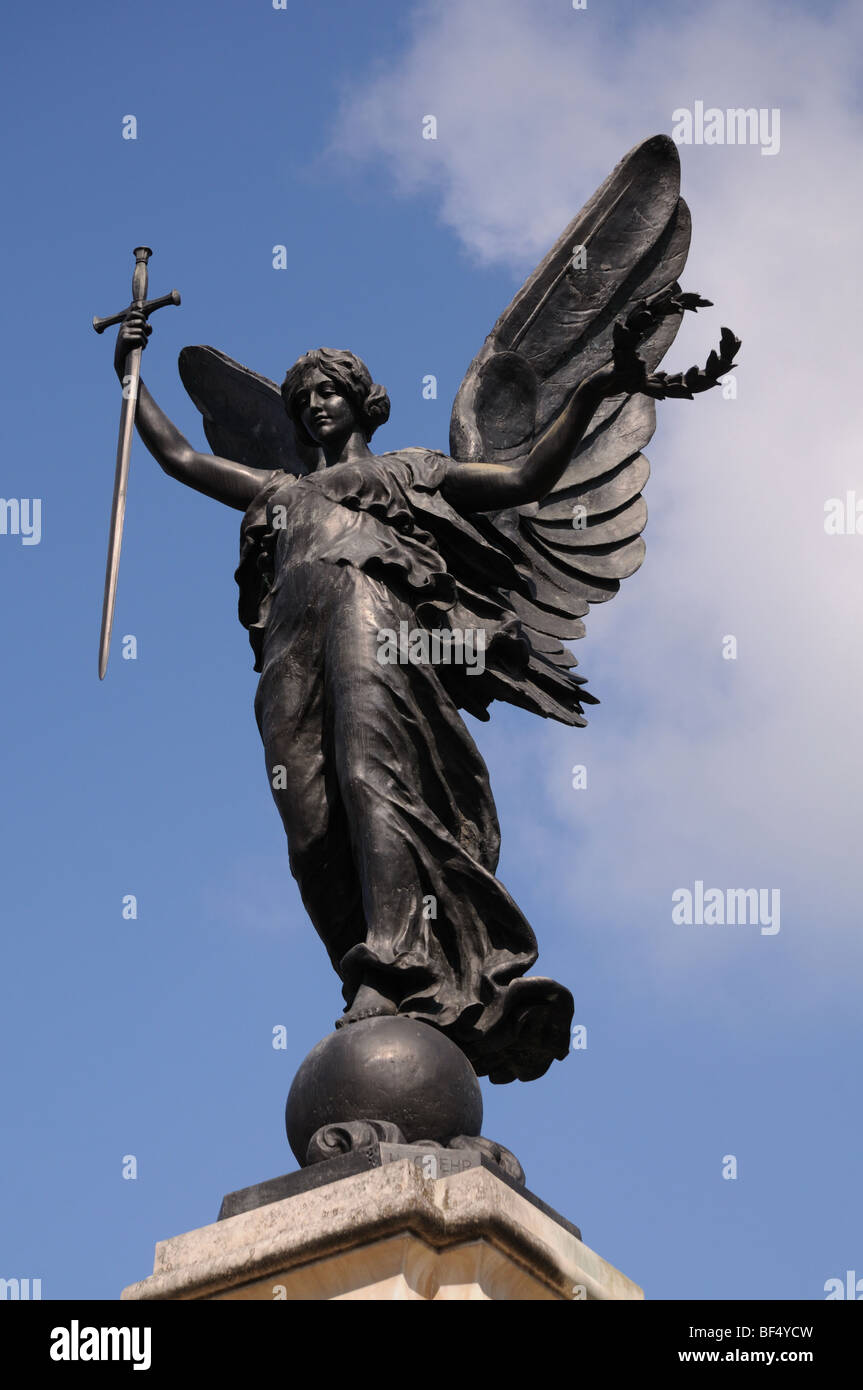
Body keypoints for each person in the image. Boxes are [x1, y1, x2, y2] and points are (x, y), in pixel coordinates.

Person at [112, 316, 643, 1082]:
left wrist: (595, 386)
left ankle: (391, 967)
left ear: (363, 402)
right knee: (312, 829)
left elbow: (525, 480)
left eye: (332, 391)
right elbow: (178, 457)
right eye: (304, 398)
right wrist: (131, 374)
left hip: (378, 628)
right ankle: (374, 962)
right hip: (290, 655)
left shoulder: (409, 473)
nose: (317, 405)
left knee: (372, 777)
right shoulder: (279, 491)